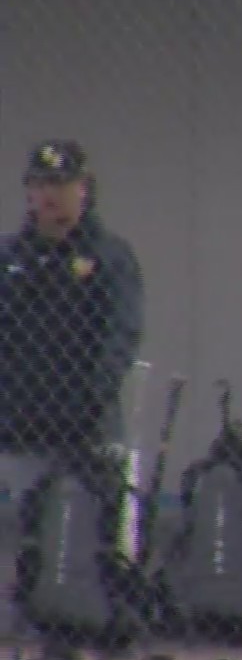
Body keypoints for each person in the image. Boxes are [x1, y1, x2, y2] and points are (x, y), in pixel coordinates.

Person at [1, 139, 145, 490]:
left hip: (88, 431)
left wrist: (88, 399)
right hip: (22, 428)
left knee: (91, 530)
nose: (50, 194)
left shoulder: (109, 256)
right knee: (28, 526)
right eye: (40, 184)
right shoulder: (11, 258)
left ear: (83, 188)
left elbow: (121, 333)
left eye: (61, 183)